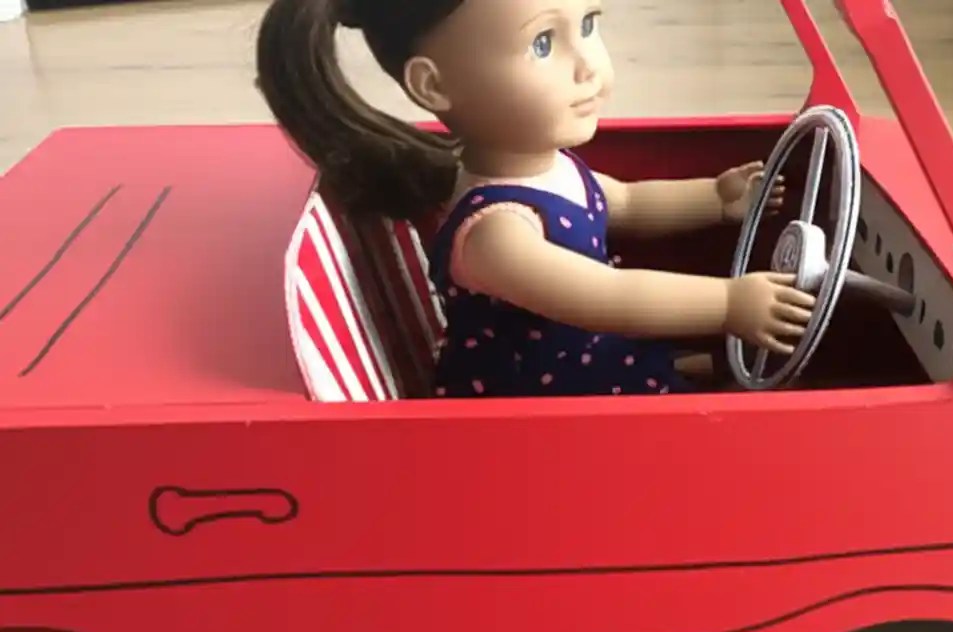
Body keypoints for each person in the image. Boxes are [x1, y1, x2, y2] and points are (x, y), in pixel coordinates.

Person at [255, 0, 816, 397]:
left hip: (586, 357)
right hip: (540, 399)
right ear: (434, 87)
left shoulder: (547, 167)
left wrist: (715, 200)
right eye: (543, 43)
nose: (588, 64)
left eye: (590, 22)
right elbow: (606, 294)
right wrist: (727, 304)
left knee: (718, 371)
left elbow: (623, 203)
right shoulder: (496, 233)